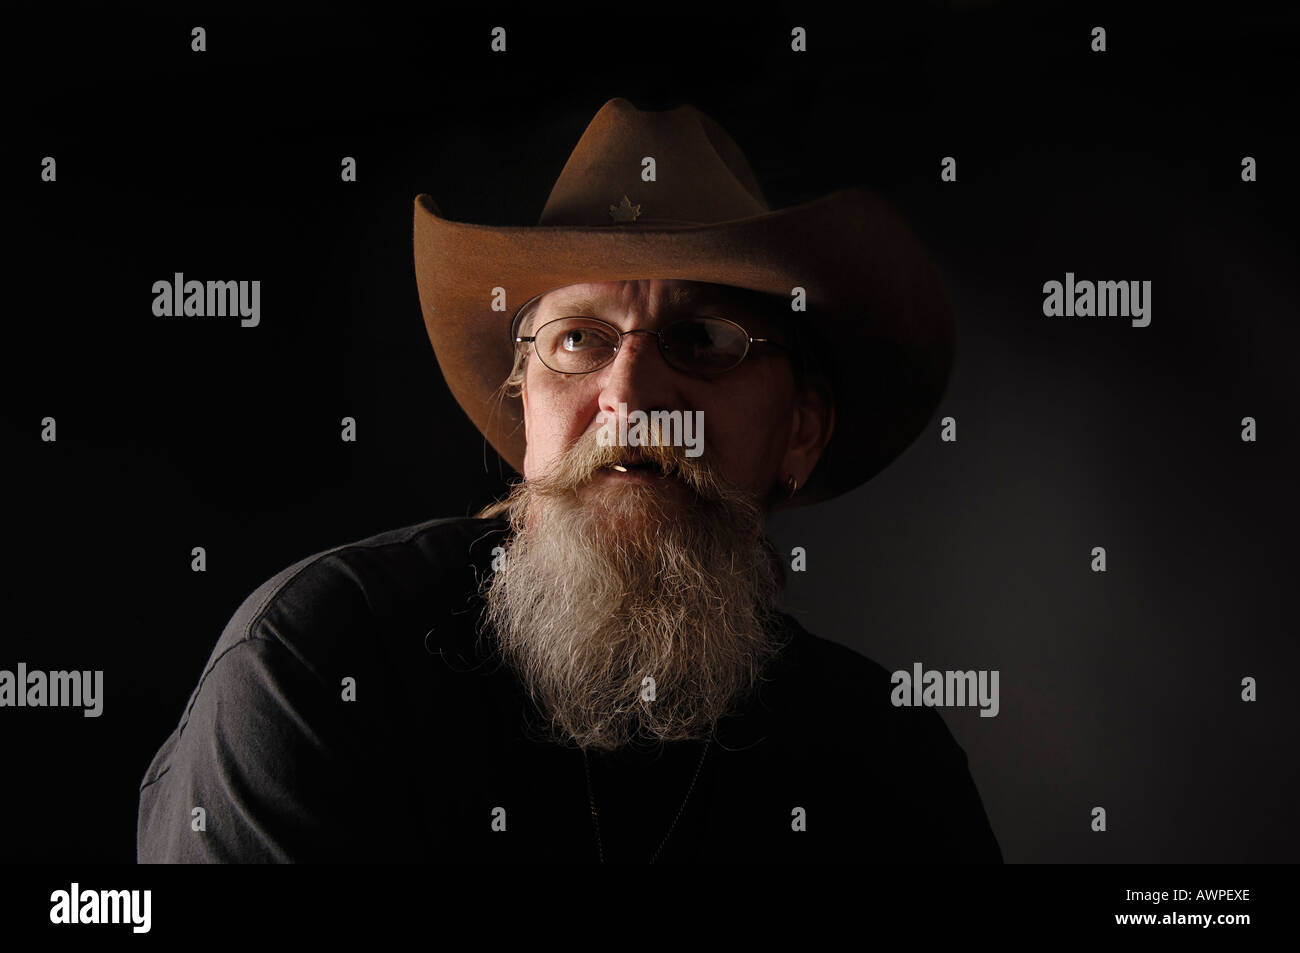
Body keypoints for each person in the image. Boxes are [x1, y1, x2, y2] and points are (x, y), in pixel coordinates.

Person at [137, 98, 1001, 863]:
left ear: (800, 434)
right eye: (580, 340)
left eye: (701, 340)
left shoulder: (887, 760)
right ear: (524, 412)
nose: (628, 397)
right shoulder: (322, 667)